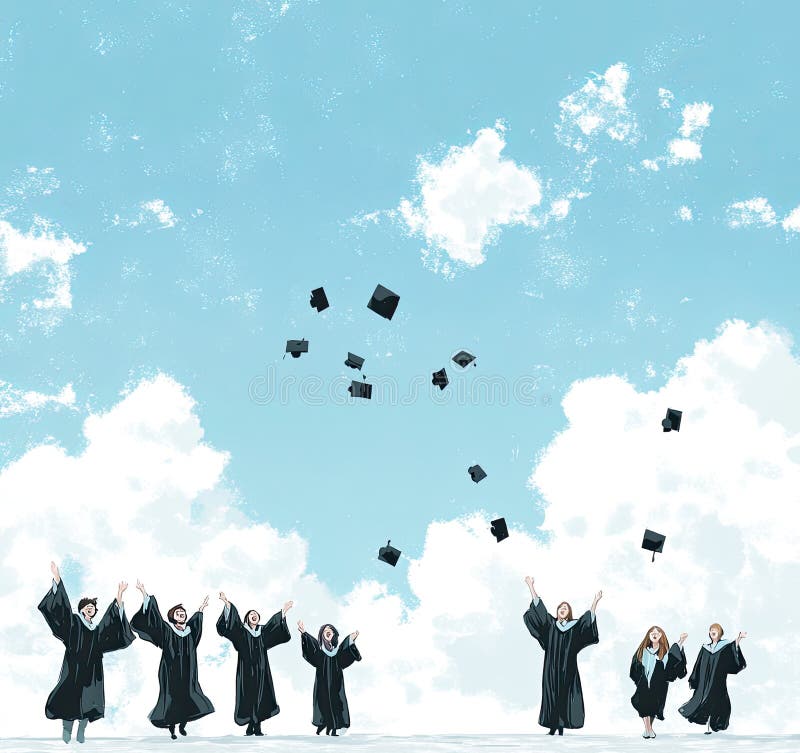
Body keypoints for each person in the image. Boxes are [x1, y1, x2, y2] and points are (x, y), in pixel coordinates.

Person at [38, 561, 135, 744]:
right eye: (87, 607)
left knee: (89, 701)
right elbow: (62, 613)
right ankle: (67, 729)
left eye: (92, 607)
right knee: (70, 698)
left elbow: (111, 623)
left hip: (92, 670)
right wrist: (58, 579)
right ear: (82, 610)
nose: (90, 609)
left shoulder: (97, 631)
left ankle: (81, 730)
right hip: (74, 668)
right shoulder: (74, 623)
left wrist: (119, 596)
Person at [130, 580, 215, 739]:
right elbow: (153, 618)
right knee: (172, 698)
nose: (181, 614)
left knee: (187, 696)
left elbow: (197, 621)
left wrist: (201, 609)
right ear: (172, 617)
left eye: (183, 612)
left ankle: (183, 725)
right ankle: (172, 729)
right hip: (170, 671)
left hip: (188, 671)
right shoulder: (167, 630)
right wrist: (144, 594)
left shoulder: (190, 630)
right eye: (178, 613)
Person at [522, 575, 602, 735]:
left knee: (566, 694)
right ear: (557, 611)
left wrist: (595, 602)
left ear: (569, 612)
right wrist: (531, 586)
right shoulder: (550, 625)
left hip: (569, 667)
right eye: (560, 607)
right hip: (551, 667)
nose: (563, 609)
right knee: (551, 693)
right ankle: (554, 727)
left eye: (566, 607)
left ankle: (561, 727)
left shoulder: (574, 627)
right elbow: (539, 610)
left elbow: (586, 623)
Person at [216, 591, 293, 735]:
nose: (254, 615)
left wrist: (283, 611)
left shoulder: (263, 631)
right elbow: (231, 627)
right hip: (246, 670)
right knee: (248, 695)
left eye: (256, 614)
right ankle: (251, 724)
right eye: (251, 613)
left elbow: (274, 627)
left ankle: (256, 726)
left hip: (262, 669)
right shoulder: (241, 631)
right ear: (246, 618)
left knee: (261, 696)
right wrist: (227, 604)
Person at [679, 623, 747, 734]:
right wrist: (696, 679)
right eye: (711, 630)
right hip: (705, 682)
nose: (712, 631)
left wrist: (739, 638)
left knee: (717, 701)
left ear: (720, 632)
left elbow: (733, 649)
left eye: (714, 630)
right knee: (702, 700)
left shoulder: (725, 646)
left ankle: (714, 725)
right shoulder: (705, 647)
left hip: (718, 681)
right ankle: (707, 725)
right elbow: (698, 664)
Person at [298, 619, 361, 735]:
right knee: (323, 702)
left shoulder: (337, 651)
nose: (328, 631)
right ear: (322, 635)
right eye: (325, 630)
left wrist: (351, 639)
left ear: (334, 634)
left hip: (336, 682)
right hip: (322, 682)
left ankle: (335, 727)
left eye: (330, 630)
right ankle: (326, 726)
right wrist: (304, 633)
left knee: (337, 702)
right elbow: (311, 651)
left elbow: (344, 656)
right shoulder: (320, 650)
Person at [629, 626, 688, 738]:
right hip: (644, 682)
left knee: (653, 707)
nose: (654, 634)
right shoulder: (643, 650)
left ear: (661, 635)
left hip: (658, 684)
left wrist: (680, 641)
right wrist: (639, 679)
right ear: (649, 635)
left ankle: (648, 729)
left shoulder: (664, 651)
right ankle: (648, 728)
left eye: (657, 633)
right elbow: (635, 665)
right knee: (643, 704)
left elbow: (673, 660)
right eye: (652, 633)